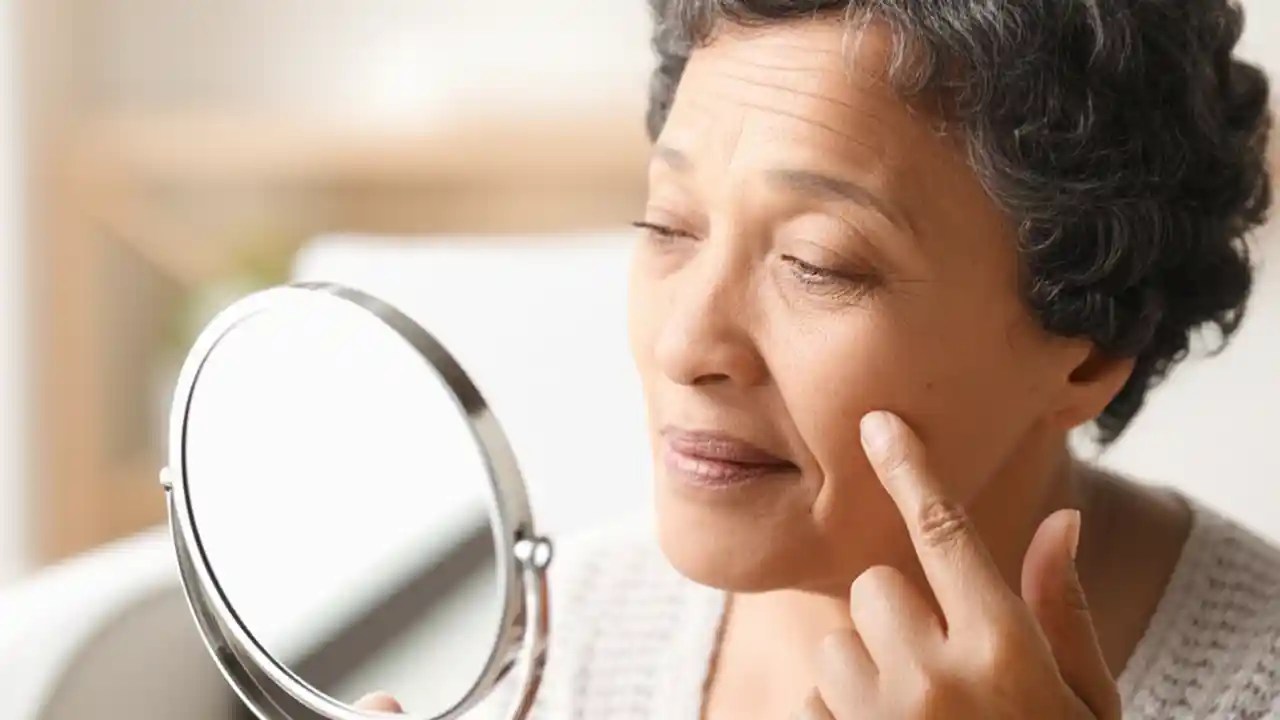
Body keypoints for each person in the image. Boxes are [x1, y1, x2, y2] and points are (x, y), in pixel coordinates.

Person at [363, 0, 1278, 717]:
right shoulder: (561, 645)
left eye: (818, 264)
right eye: (668, 225)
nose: (686, 346)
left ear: (1087, 352)